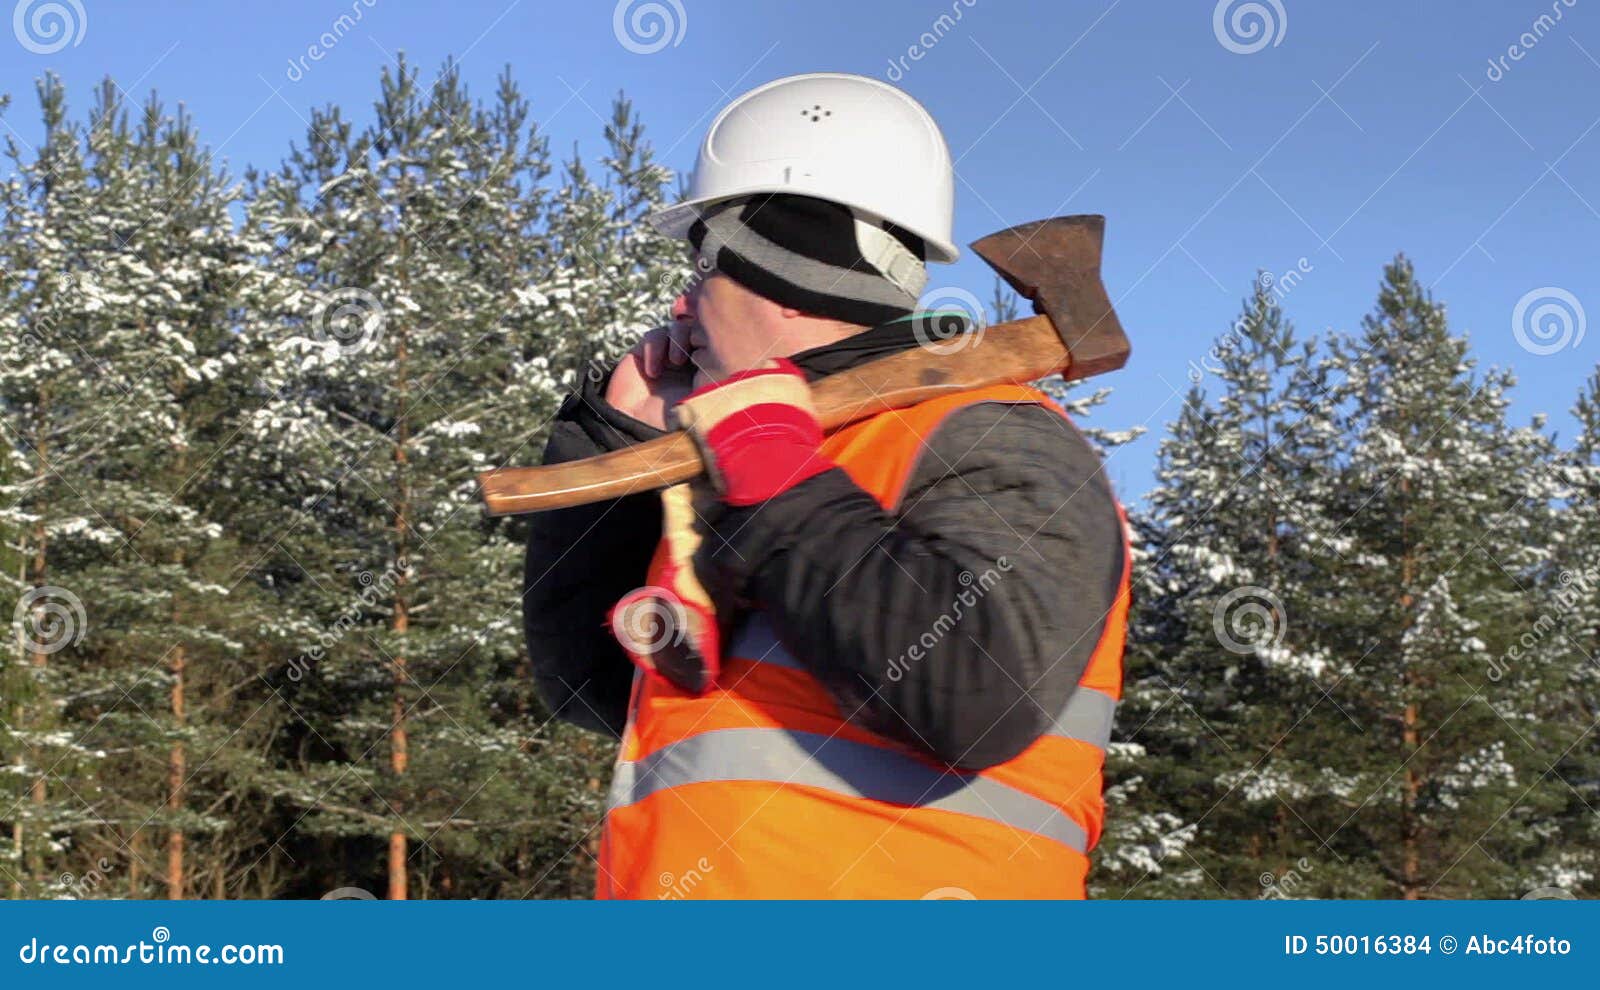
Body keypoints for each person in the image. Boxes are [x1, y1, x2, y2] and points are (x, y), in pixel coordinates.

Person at [522, 72, 1129, 899]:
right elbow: (589, 688)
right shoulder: (762, 463)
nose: (681, 304)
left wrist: (780, 484)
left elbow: (980, 693)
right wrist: (618, 441)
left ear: (785, 276)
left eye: (703, 267)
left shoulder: (989, 432)